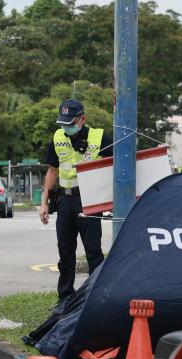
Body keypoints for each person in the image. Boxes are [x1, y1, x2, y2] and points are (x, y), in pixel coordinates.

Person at [39, 99, 113, 301]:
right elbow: (52, 171)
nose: (66, 127)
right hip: (65, 200)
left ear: (82, 119)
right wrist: (44, 202)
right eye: (63, 123)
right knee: (65, 251)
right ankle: (65, 298)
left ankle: (94, 296)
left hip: (90, 200)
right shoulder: (57, 137)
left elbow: (117, 166)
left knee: (93, 251)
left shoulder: (99, 137)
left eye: (70, 123)